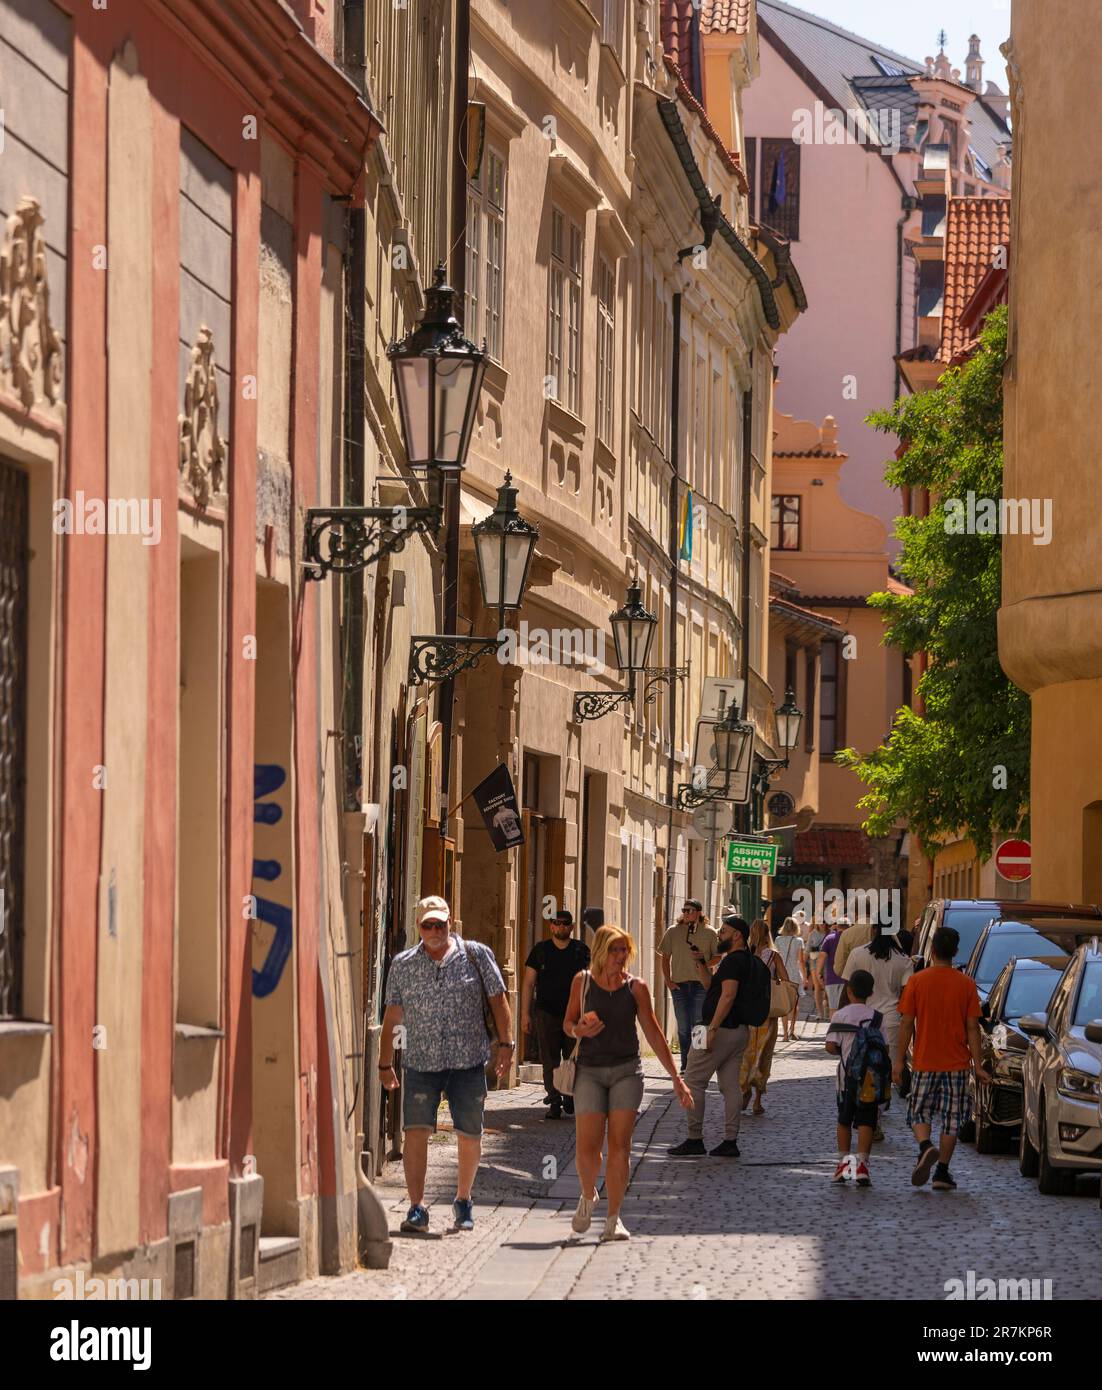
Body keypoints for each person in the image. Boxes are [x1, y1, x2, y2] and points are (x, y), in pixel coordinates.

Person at [380, 896, 513, 1235]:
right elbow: (393, 1016)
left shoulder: (476, 955)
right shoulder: (403, 964)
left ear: (450, 923)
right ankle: (416, 1207)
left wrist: (507, 1045)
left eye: (440, 924)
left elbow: (499, 1000)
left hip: (467, 1060)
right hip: (421, 1061)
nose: (435, 930)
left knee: (469, 1133)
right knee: (415, 1133)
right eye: (428, 925)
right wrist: (385, 1062)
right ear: (418, 927)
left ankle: (464, 1199)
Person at [565, 925, 692, 1240]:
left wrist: (677, 1078)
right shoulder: (582, 982)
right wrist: (578, 1030)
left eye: (624, 950)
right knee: (587, 1149)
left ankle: (613, 1220)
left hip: (626, 1071)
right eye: (614, 950)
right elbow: (567, 1022)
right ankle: (588, 1194)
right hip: (589, 1072)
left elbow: (653, 1032)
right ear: (600, 951)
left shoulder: (636, 987)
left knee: (620, 1147)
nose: (621, 957)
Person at [893, 926, 991, 1191]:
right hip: (957, 1063)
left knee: (918, 1111)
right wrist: (977, 1065)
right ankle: (942, 1172)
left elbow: (906, 1023)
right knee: (952, 1118)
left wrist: (899, 1060)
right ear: (956, 952)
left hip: (925, 1060)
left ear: (932, 950)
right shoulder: (967, 984)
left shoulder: (917, 981)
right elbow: (973, 1028)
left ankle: (925, 1146)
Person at [668, 914, 770, 1158]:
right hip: (738, 1032)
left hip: (715, 1029)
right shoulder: (742, 960)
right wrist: (701, 963)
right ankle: (730, 1141)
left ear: (737, 935)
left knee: (692, 1081)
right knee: (730, 1086)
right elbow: (710, 986)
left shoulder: (734, 961)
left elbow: (728, 995)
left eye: (723, 931)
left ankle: (694, 1139)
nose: (719, 935)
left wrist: (712, 1028)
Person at [520, 908, 591, 1119]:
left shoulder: (581, 951)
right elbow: (528, 983)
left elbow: (591, 981)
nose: (561, 926)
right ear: (551, 926)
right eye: (556, 923)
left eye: (565, 923)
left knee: (574, 1058)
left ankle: (569, 1095)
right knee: (549, 1059)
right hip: (546, 1013)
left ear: (571, 926)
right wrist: (525, 1014)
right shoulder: (540, 950)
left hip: (575, 1014)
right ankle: (554, 1099)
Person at [845, 922, 913, 1133]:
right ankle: (875, 1117)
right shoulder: (903, 960)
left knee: (863, 1068)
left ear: (873, 929)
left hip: (862, 1018)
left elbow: (849, 986)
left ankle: (871, 1118)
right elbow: (906, 993)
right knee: (884, 1072)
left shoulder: (857, 954)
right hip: (890, 1020)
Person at [824, 969, 882, 1186]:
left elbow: (831, 1047)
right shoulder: (877, 1017)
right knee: (867, 1121)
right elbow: (882, 1047)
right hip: (870, 1079)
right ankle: (863, 1165)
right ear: (871, 992)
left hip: (847, 1077)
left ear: (848, 991)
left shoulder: (840, 1015)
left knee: (844, 1120)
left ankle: (844, 1164)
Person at [658, 899, 720, 1073]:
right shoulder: (673, 931)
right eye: (684, 910)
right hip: (679, 985)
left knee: (698, 1025)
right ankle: (685, 1064)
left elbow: (718, 957)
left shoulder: (709, 932)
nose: (686, 913)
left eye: (689, 910)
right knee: (684, 1027)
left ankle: (697, 1065)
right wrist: (668, 981)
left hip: (701, 985)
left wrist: (703, 963)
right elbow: (664, 957)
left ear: (699, 913)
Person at [739, 919, 791, 1113]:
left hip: (746, 1011)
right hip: (767, 1012)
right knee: (764, 1054)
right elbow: (786, 980)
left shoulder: (744, 955)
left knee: (745, 1053)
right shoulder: (773, 955)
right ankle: (757, 1102)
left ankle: (743, 1089)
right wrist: (773, 979)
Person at [774, 917, 805, 1041]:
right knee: (794, 1004)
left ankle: (785, 1035)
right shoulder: (799, 941)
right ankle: (792, 1031)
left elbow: (776, 956)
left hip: (782, 974)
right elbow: (801, 961)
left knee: (783, 1004)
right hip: (794, 975)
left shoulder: (778, 939)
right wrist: (805, 975)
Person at [821, 918, 847, 1015]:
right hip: (847, 978)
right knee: (846, 1008)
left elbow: (822, 957)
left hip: (832, 977)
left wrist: (819, 972)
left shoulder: (829, 938)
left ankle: (834, 1028)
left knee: (833, 1007)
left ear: (837, 926)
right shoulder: (850, 937)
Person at [806, 920, 828, 1020]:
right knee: (818, 988)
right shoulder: (813, 934)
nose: (822, 923)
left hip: (828, 963)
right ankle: (820, 1013)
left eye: (824, 921)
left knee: (827, 988)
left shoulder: (830, 933)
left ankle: (828, 1010)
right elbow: (807, 950)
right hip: (815, 963)